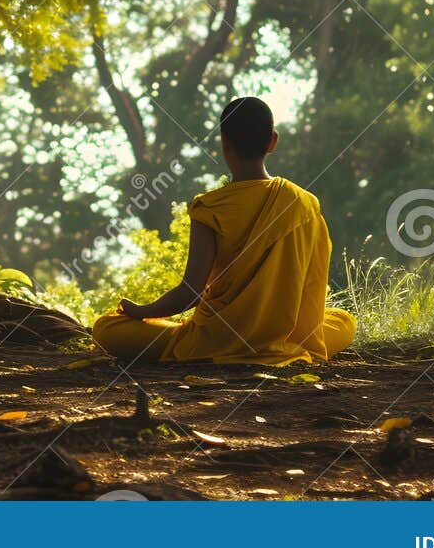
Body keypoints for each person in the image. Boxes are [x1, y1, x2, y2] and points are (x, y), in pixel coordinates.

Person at [91, 96, 356, 365]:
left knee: (106, 328)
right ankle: (276, 347)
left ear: (224, 143)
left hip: (215, 340)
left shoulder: (210, 207)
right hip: (286, 338)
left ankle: (227, 350)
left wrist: (143, 311)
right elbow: (310, 287)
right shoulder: (304, 202)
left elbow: (190, 292)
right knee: (345, 321)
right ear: (273, 141)